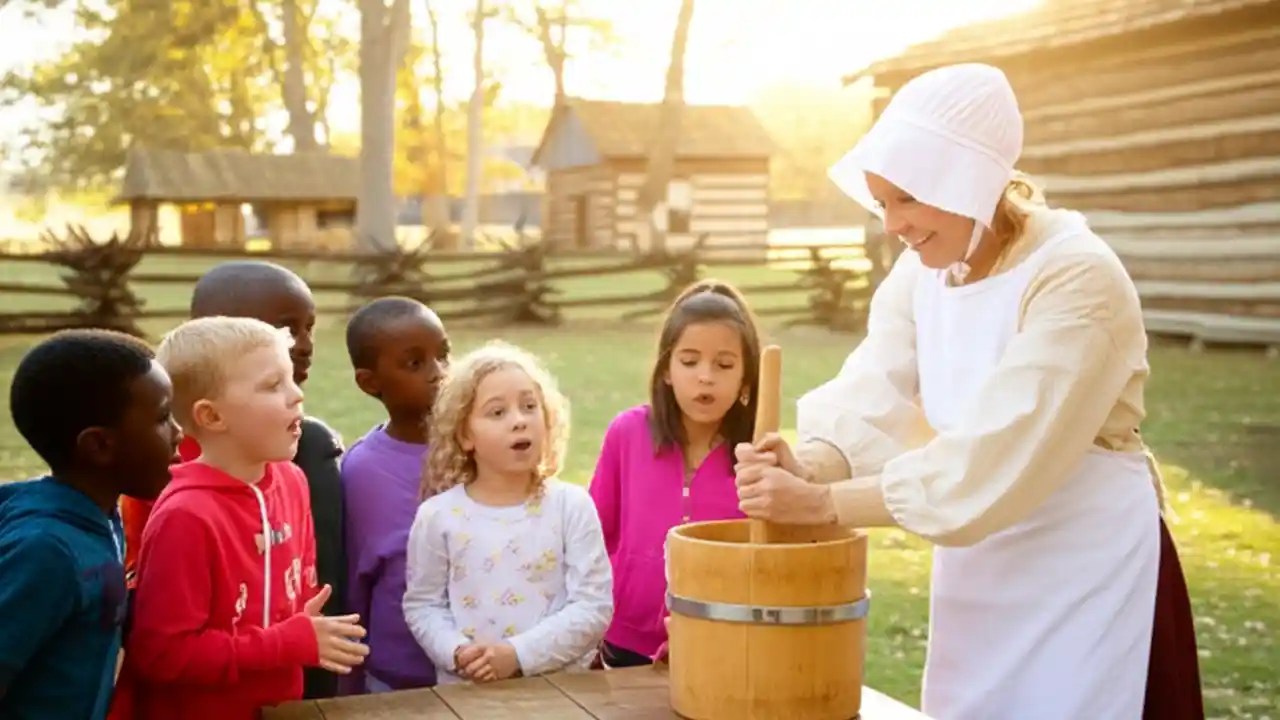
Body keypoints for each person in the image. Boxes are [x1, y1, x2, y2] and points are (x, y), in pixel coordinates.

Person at [733, 63, 1203, 720]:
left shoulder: (1077, 277)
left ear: (966, 182)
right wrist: (809, 463)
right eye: (882, 202)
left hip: (1084, 562)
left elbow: (1001, 452)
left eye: (906, 199)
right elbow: (877, 386)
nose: (891, 224)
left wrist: (822, 504)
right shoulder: (928, 271)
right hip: (979, 554)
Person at [118, 260, 347, 699]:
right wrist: (288, 641)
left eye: (290, 381)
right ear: (211, 415)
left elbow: (298, 599)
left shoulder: (292, 482)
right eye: (272, 385)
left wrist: (309, 630)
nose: (297, 394)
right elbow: (163, 655)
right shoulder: (185, 515)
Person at [403, 341, 612, 684]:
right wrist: (459, 653)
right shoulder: (437, 517)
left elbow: (592, 606)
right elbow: (423, 606)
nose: (519, 421)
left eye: (529, 406)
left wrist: (518, 655)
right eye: (497, 412)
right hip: (468, 697)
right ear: (465, 434)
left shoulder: (570, 507)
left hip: (561, 697)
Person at [0, 331, 181, 720]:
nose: (178, 434)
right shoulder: (47, 550)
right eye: (163, 418)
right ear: (99, 446)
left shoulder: (96, 515)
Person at [588, 280, 760, 668]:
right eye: (689, 360)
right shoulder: (627, 434)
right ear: (666, 369)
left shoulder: (758, 456)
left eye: (725, 365)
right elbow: (592, 536)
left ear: (746, 378)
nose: (705, 376)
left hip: (719, 644)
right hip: (621, 642)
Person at [339, 297, 451, 693]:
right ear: (370, 382)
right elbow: (355, 582)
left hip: (485, 671)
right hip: (397, 680)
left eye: (444, 354)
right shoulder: (363, 470)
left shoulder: (483, 445)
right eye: (415, 363)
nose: (439, 373)